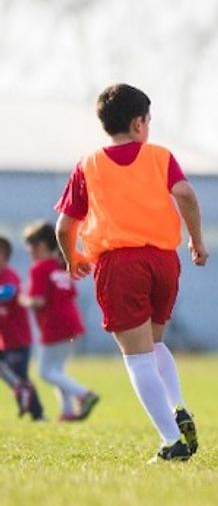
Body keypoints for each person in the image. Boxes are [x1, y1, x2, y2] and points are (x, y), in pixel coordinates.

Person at [55, 83, 203, 462]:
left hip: (120, 264)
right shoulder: (160, 156)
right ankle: (178, 406)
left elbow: (64, 226)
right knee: (154, 345)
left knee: (136, 357)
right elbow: (185, 194)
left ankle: (173, 441)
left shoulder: (89, 164)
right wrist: (196, 241)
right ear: (139, 123)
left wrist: (73, 258)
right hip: (164, 262)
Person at [22, 221, 97, 421]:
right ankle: (68, 411)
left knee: (45, 372)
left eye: (31, 245)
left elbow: (38, 301)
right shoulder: (60, 266)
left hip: (54, 325)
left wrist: (22, 300)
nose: (29, 251)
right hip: (71, 322)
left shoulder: (39, 268)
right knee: (58, 371)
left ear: (41, 245)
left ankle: (84, 394)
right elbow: (71, 292)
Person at [0, 235, 44, 420]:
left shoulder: (9, 275)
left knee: (21, 377)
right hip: (4, 341)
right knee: (17, 379)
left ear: (5, 256)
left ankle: (37, 414)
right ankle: (23, 398)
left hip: (19, 339)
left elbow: (9, 292)